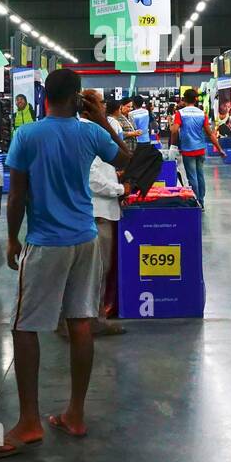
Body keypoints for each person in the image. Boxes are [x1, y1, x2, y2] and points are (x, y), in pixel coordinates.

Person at [0, 69, 132, 459]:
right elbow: (127, 161)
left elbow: (16, 196)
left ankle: (30, 422)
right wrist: (102, 120)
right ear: (77, 97)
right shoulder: (90, 133)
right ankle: (75, 414)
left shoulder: (27, 135)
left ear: (44, 97)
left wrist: (12, 237)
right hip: (85, 238)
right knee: (80, 322)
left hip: (46, 243)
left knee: (24, 326)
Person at [87, 92, 130, 336]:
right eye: (101, 103)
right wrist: (119, 188)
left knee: (98, 268)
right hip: (98, 210)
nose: (105, 106)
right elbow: (92, 177)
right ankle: (92, 319)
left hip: (101, 209)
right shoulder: (89, 133)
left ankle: (89, 317)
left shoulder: (94, 131)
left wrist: (116, 177)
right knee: (97, 268)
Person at [171, 88, 224, 209]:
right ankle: (202, 201)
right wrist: (219, 148)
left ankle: (196, 203)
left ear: (184, 99)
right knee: (200, 175)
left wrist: (174, 145)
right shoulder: (202, 114)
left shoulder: (180, 113)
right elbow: (210, 134)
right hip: (201, 149)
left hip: (188, 150)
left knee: (192, 177)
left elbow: (174, 130)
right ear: (196, 99)